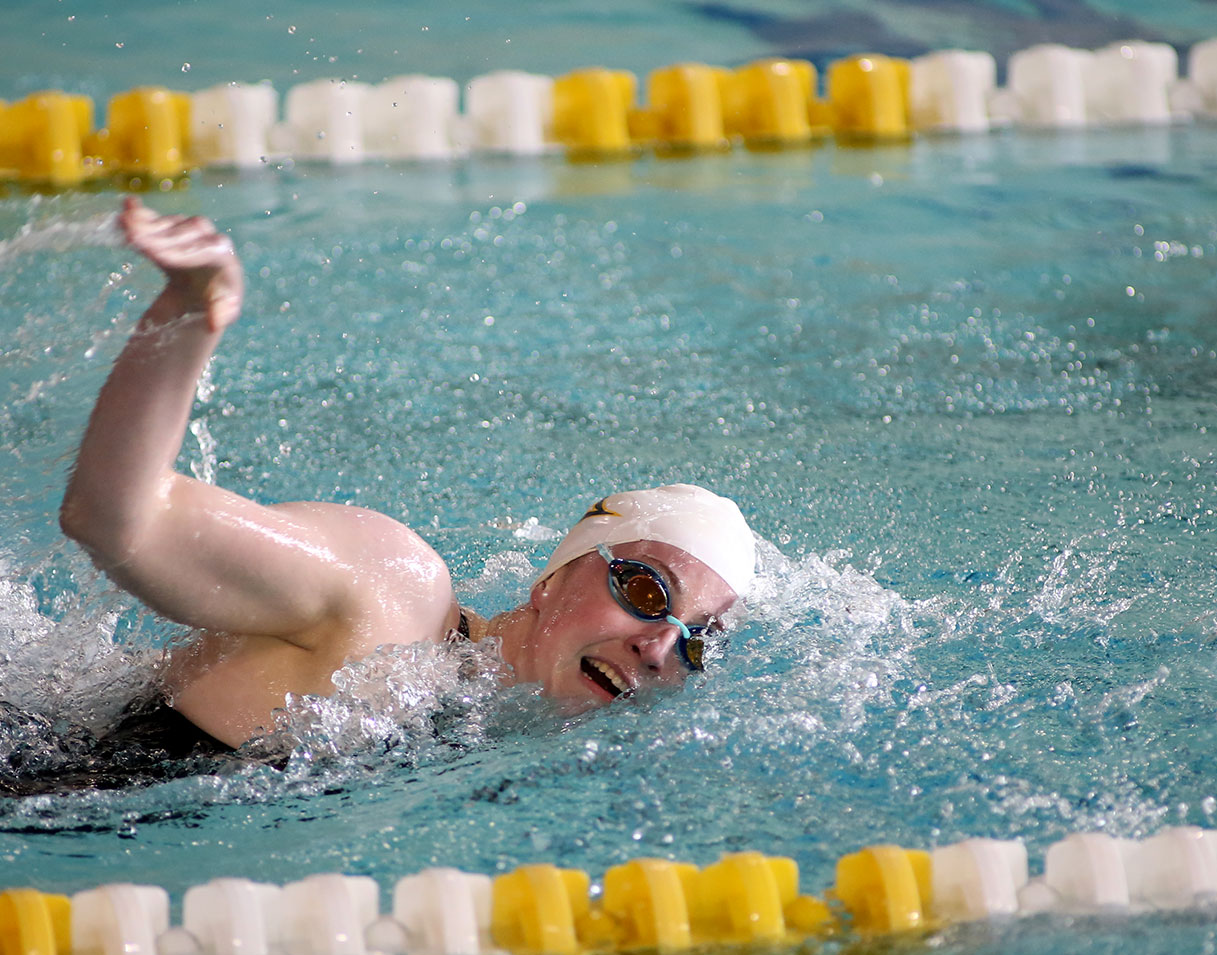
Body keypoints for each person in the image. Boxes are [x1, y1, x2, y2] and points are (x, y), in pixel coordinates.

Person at [58, 198, 757, 755]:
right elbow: (115, 516)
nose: (660, 645)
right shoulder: (393, 597)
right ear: (551, 580)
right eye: (644, 589)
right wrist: (188, 316)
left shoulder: (486, 727)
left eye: (698, 640)